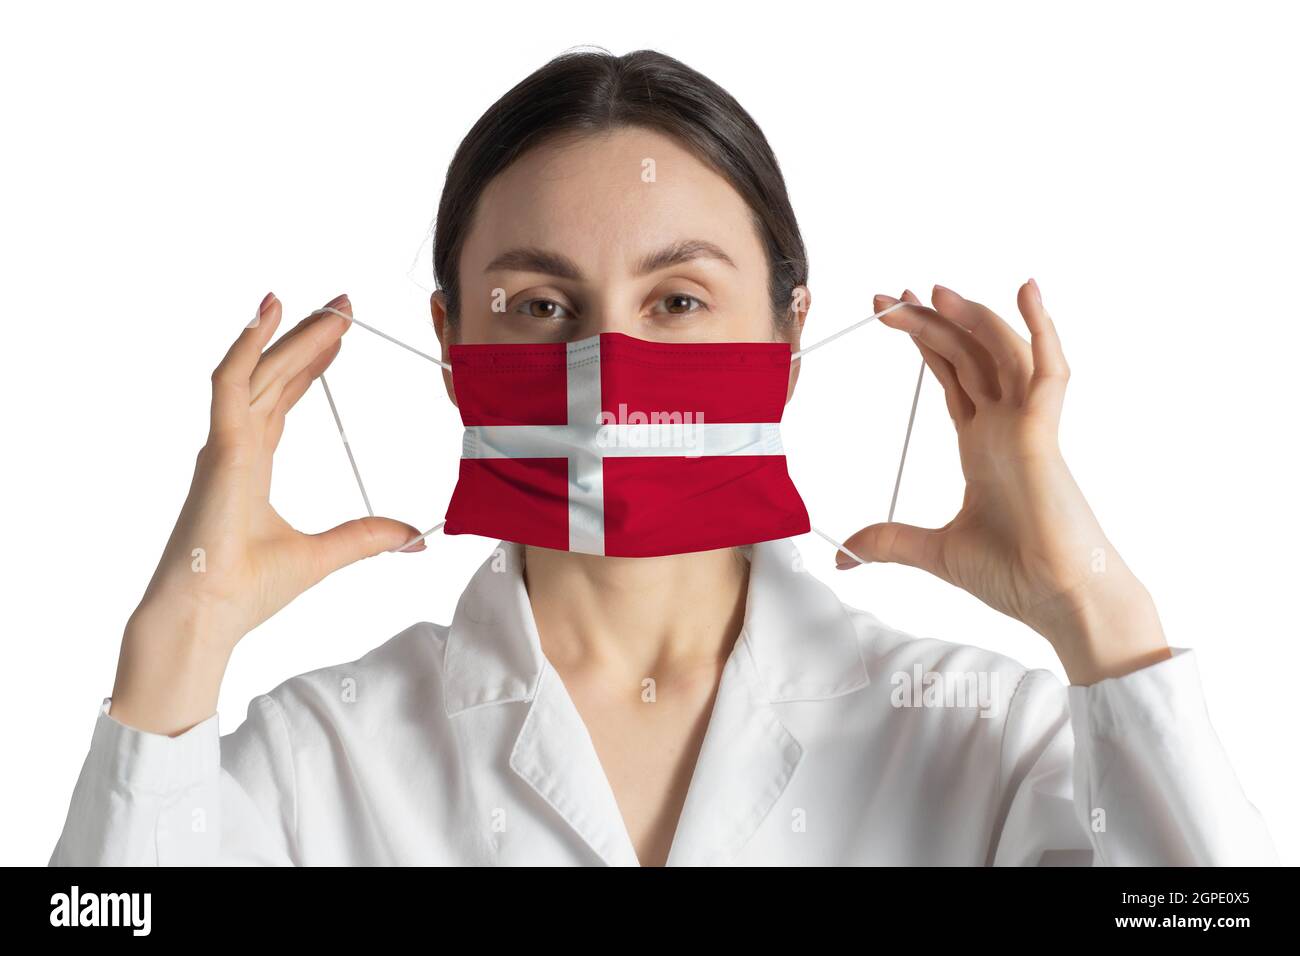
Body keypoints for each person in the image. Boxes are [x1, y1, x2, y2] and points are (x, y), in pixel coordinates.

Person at [49, 48, 1276, 866]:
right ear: (448, 339)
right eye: (537, 304)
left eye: (679, 300)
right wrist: (181, 637)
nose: (611, 370)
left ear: (790, 334)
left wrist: (1094, 611)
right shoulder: (317, 760)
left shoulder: (980, 738)